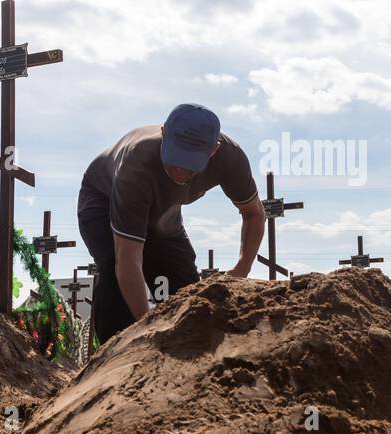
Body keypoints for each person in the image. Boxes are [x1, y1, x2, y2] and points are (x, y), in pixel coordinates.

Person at [76, 104, 266, 343]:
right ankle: (114, 352)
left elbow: (254, 214)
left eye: (189, 163)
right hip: (102, 200)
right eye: (176, 157)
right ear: (164, 134)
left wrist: (242, 269)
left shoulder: (230, 159)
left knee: (184, 287)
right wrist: (146, 332)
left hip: (164, 214)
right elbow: (128, 260)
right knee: (114, 270)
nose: (179, 169)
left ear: (213, 151)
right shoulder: (137, 164)